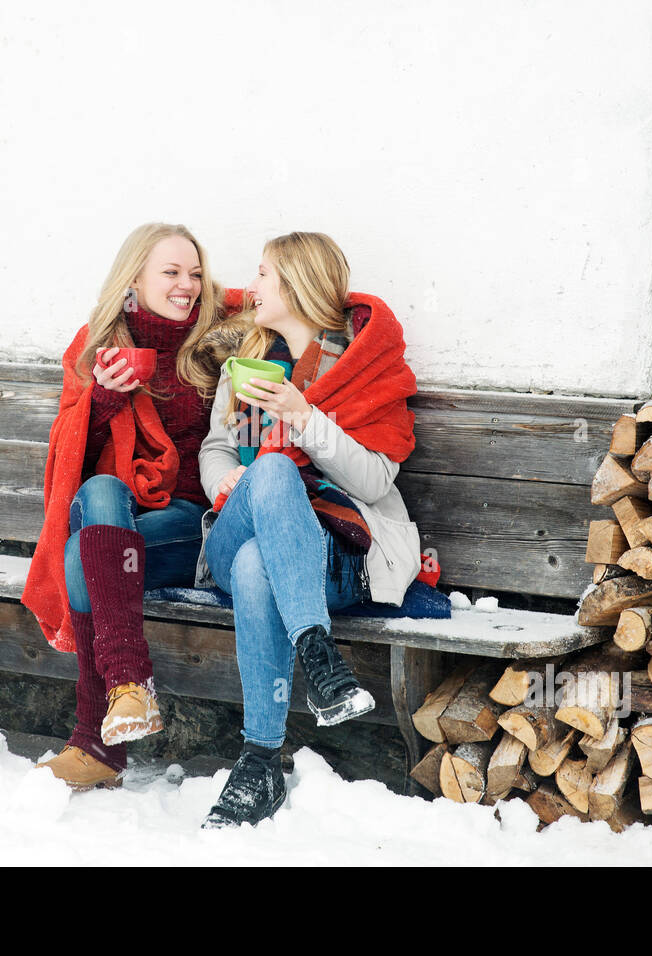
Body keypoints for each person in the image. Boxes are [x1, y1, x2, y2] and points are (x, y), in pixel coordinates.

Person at [196, 231, 420, 828]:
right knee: (265, 470)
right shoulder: (249, 362)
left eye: (265, 274)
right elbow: (218, 450)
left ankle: (260, 760)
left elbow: (373, 482)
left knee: (255, 566)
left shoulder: (362, 370)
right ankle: (320, 657)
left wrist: (302, 414)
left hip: (333, 552)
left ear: (296, 286)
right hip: (235, 523)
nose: (253, 285)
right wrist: (227, 488)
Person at [22, 222, 237, 790]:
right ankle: (126, 689)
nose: (187, 285)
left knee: (81, 557)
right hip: (115, 520)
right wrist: (103, 400)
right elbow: (70, 458)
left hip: (189, 524)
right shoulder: (95, 346)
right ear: (133, 278)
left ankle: (99, 737)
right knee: (97, 493)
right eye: (171, 272)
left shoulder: (219, 342)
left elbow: (288, 298)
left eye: (195, 273)